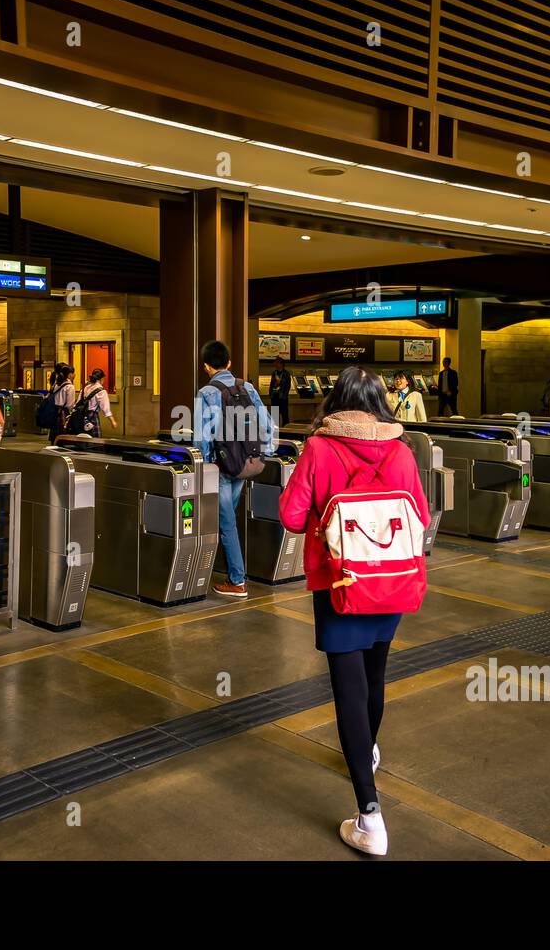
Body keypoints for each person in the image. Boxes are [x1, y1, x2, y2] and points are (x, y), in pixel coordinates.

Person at [278, 366, 430, 857]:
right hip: (391, 583)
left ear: (336, 400)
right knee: (374, 677)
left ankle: (370, 816)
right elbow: (421, 516)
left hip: (339, 583)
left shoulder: (319, 448)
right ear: (380, 402)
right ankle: (367, 751)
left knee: (348, 691)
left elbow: (291, 516)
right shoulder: (401, 450)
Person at [193, 340, 275, 598]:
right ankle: (232, 569)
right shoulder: (247, 386)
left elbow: (202, 436)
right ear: (229, 363)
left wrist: (205, 466)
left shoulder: (206, 392)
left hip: (222, 465)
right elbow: (267, 423)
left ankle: (237, 580)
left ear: (206, 366)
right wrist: (264, 451)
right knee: (228, 518)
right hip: (246, 462)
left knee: (226, 522)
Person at [68, 368, 118, 437]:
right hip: (92, 418)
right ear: (102, 379)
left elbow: (78, 402)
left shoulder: (85, 387)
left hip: (81, 416)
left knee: (82, 438)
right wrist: (112, 421)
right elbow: (105, 408)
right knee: (95, 440)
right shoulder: (101, 391)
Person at [45, 363, 77, 443]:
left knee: (55, 437)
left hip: (55, 412)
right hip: (63, 413)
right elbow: (70, 405)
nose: (74, 375)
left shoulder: (57, 384)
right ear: (69, 375)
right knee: (63, 436)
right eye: (73, 373)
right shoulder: (70, 386)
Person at [269, 356, 292, 427]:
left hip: (282, 397)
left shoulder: (286, 374)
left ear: (281, 364)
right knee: (275, 414)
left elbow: (288, 385)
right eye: (275, 363)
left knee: (284, 414)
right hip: (274, 396)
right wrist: (270, 393)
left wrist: (285, 395)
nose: (275, 364)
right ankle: (275, 429)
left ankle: (285, 429)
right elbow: (271, 384)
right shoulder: (274, 373)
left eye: (277, 363)